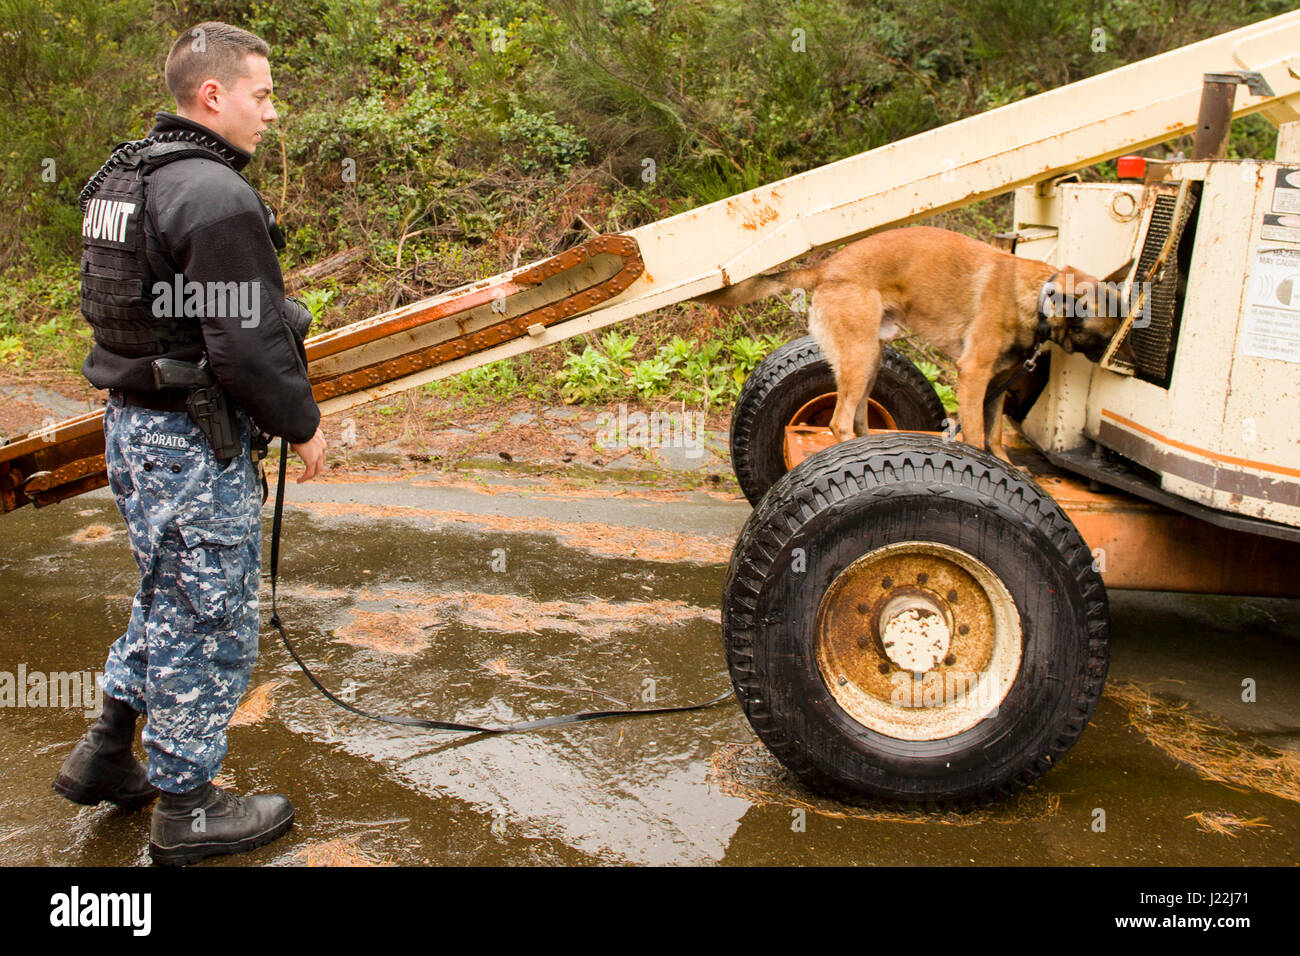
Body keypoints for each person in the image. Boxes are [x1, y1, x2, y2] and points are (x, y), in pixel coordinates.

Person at [53, 21, 327, 866]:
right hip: (187, 438)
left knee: (167, 593)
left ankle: (107, 751)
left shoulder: (124, 176)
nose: (270, 112)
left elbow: (151, 306)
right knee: (208, 617)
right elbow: (243, 342)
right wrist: (302, 423)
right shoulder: (212, 194)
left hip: (134, 428)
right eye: (262, 93)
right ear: (213, 96)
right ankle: (188, 806)